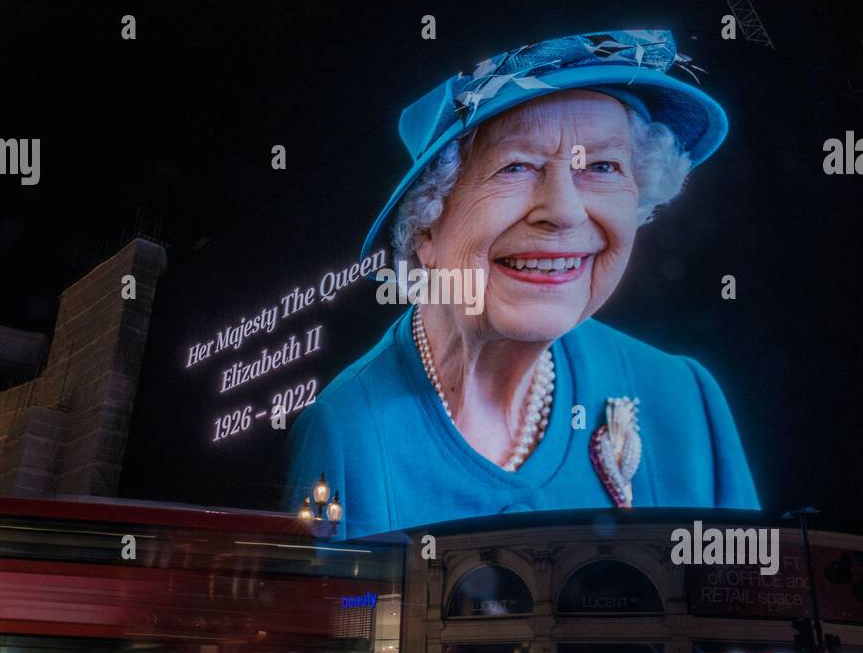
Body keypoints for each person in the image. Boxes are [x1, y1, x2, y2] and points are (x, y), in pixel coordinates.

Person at [283, 28, 758, 536]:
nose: (565, 212)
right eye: (516, 167)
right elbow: (343, 613)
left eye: (601, 165)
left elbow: (756, 610)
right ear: (426, 222)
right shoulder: (348, 440)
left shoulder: (685, 403)